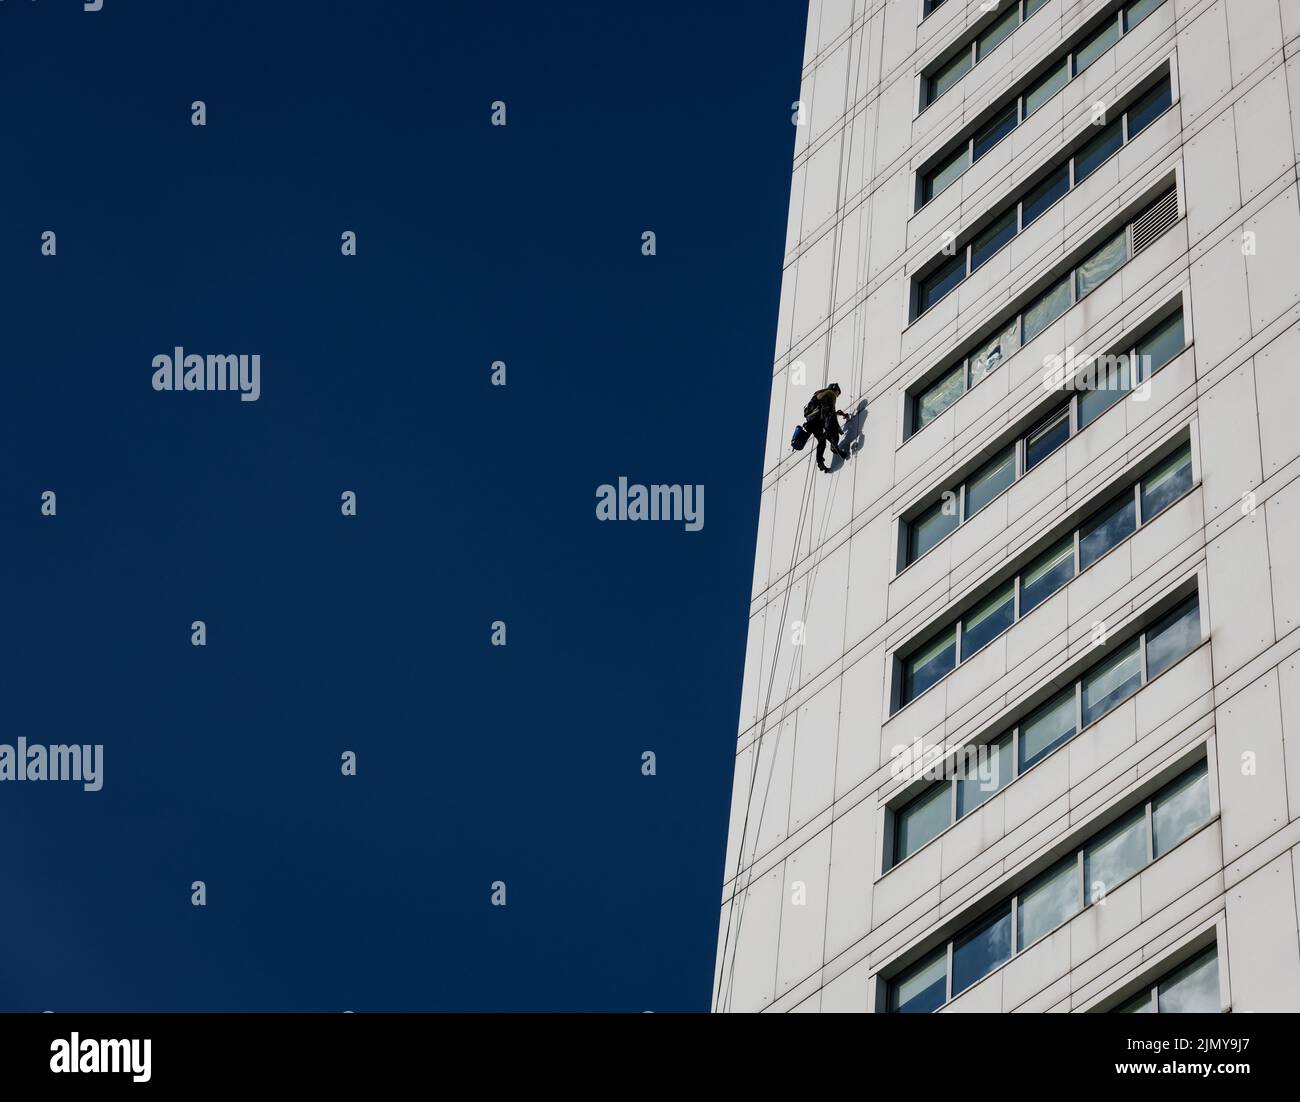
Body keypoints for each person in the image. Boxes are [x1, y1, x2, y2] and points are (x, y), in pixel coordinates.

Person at [805, 383, 850, 471]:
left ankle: (820, 462)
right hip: (819, 420)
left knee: (822, 442)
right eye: (838, 392)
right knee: (832, 429)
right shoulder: (830, 393)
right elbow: (830, 413)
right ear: (835, 389)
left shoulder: (819, 394)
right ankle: (834, 446)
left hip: (811, 421)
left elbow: (825, 409)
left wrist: (839, 413)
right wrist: (838, 428)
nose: (837, 395)